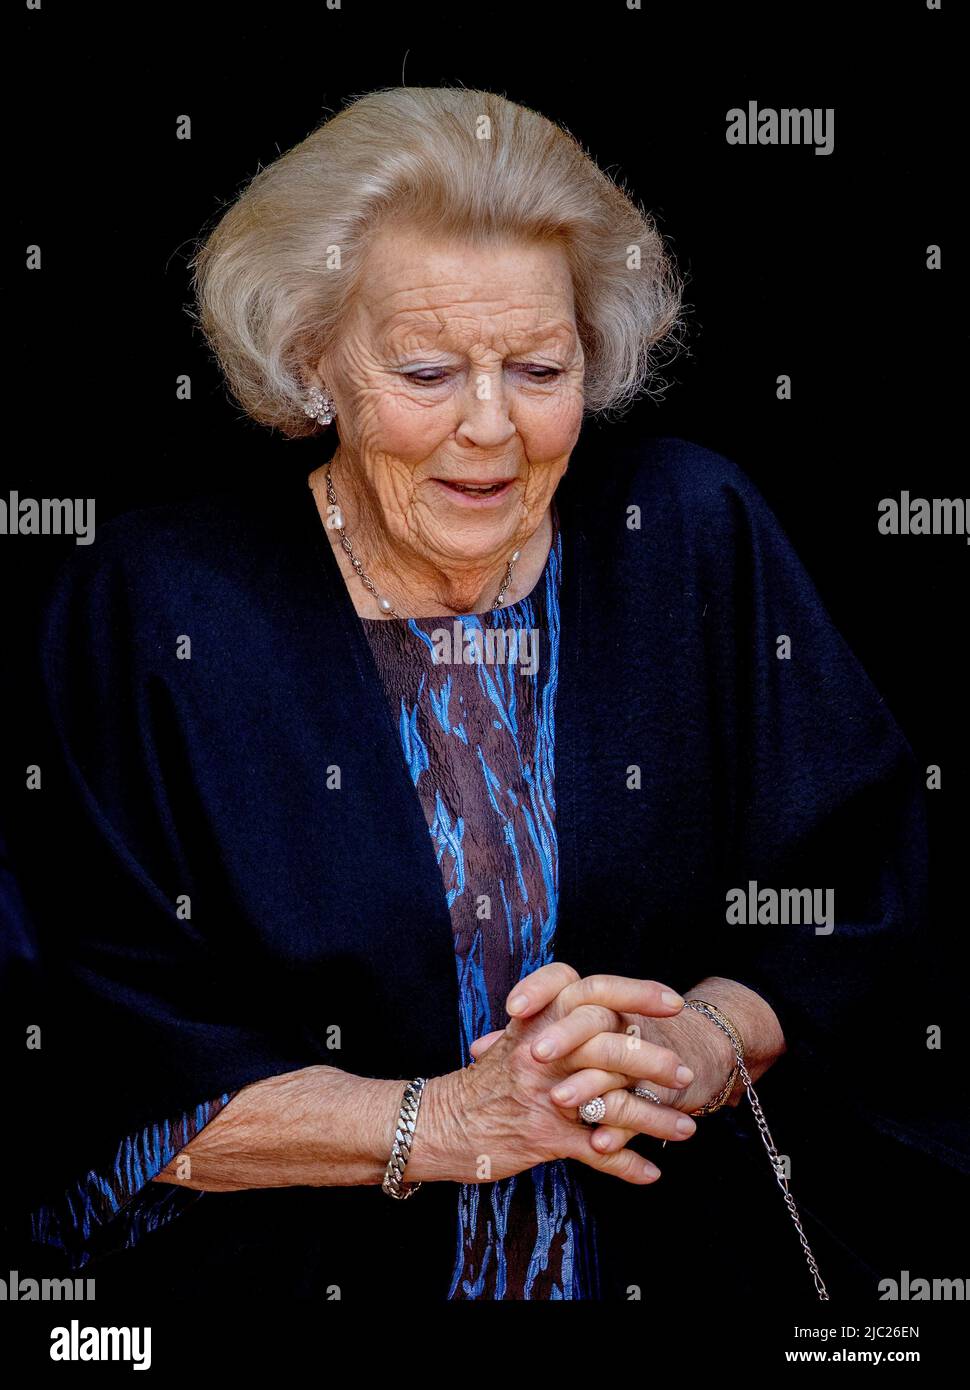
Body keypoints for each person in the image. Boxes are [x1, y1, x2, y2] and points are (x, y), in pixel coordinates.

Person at [6, 86, 926, 1302]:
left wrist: (690, 1041)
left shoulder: (689, 531)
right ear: (311, 356)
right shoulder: (155, 606)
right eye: (427, 369)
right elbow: (84, 1043)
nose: (489, 427)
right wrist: (445, 1123)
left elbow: (861, 889)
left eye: (538, 367)